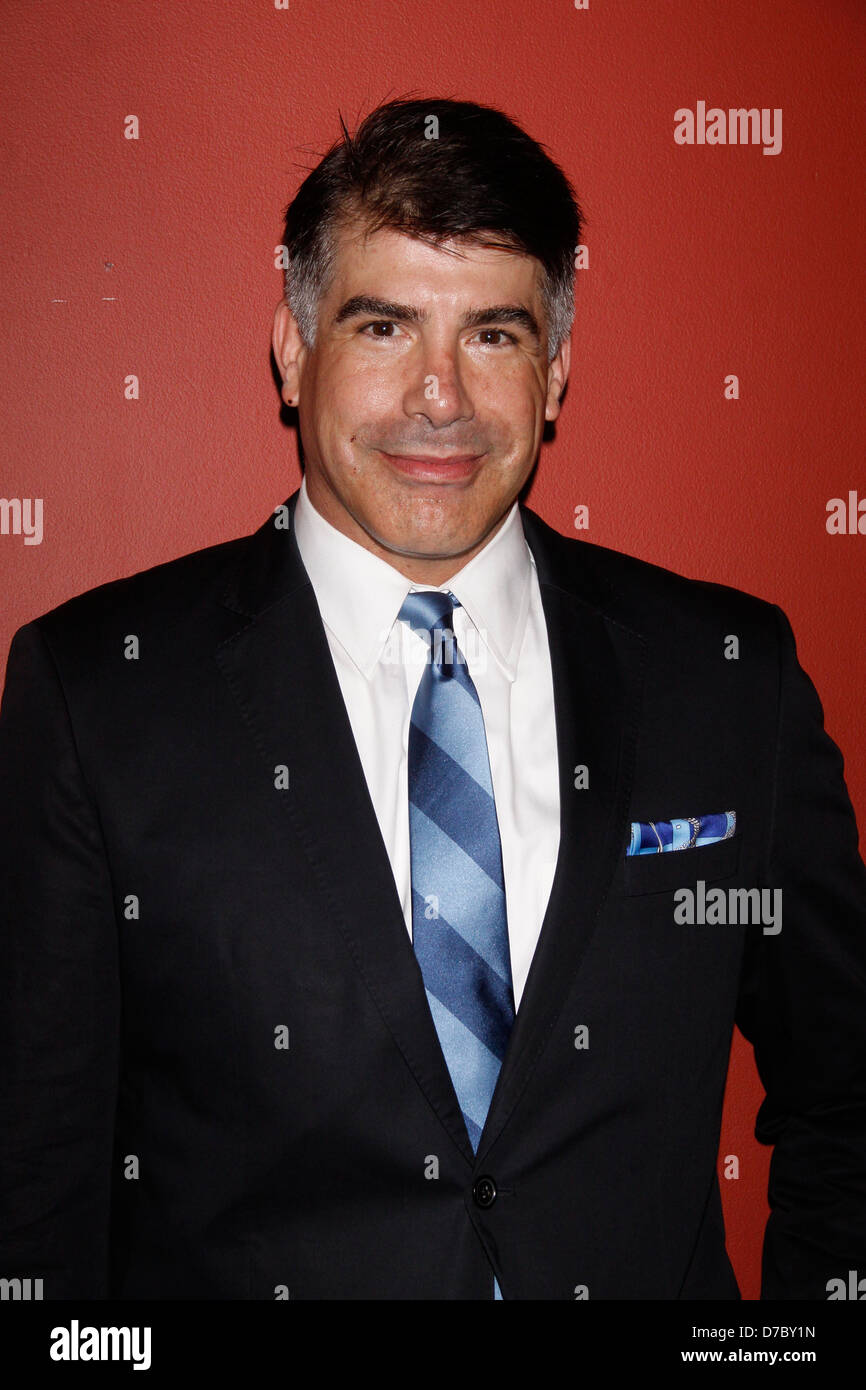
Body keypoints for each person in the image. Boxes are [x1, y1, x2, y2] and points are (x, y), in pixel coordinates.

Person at [1, 96, 864, 1301]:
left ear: (554, 371)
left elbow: (845, 1090)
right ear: (293, 351)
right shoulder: (99, 694)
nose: (439, 397)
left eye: (494, 335)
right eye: (385, 326)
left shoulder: (726, 678)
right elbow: (36, 1180)